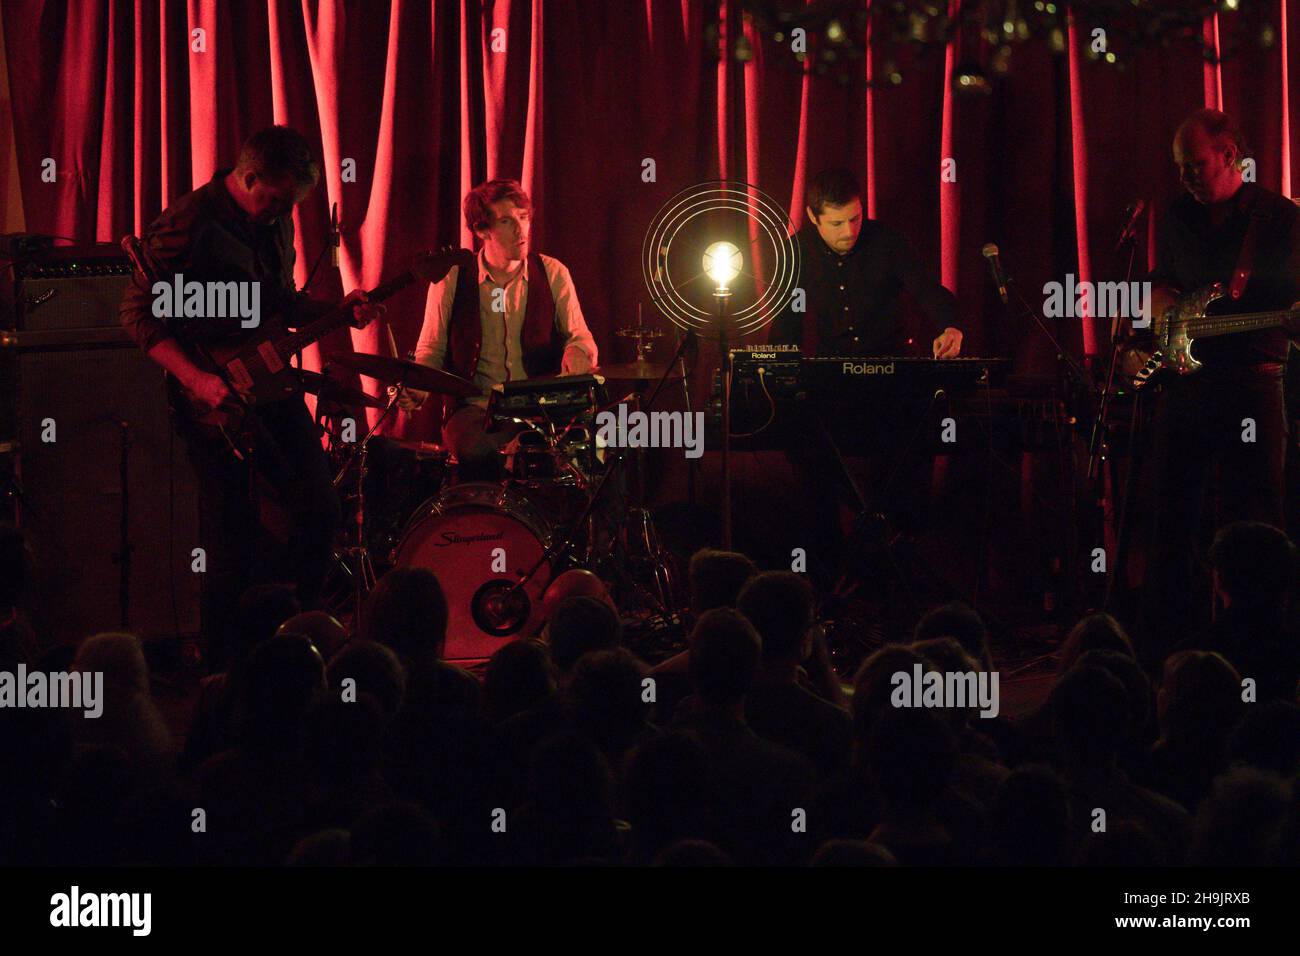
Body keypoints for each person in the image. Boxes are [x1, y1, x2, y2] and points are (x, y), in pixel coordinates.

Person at [118, 126, 384, 655]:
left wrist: (339, 313)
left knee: (319, 508)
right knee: (230, 532)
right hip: (209, 398)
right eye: (277, 200)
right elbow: (137, 314)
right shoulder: (188, 224)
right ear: (248, 176)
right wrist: (198, 380)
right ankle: (224, 667)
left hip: (268, 381)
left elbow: (278, 306)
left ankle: (298, 642)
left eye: (290, 205)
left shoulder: (276, 220)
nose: (282, 212)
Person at [1138, 109, 1300, 665]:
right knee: (1172, 516)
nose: (1185, 176)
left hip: (1252, 382)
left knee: (1255, 518)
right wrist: (1159, 307)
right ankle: (1175, 649)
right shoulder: (1178, 213)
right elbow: (1163, 278)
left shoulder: (1278, 218)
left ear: (1231, 155)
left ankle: (1262, 648)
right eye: (1180, 167)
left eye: (1196, 165)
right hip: (1186, 386)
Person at [768, 168, 965, 585]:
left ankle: (896, 556)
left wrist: (950, 326)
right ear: (813, 217)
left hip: (891, 375)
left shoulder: (887, 242)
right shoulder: (796, 252)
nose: (849, 231)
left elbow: (927, 290)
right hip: (831, 383)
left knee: (918, 438)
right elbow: (785, 327)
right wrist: (781, 372)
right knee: (804, 445)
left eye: (855, 219)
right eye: (837, 223)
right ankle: (834, 562)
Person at [398, 178, 598, 478]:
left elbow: (579, 336)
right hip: (475, 411)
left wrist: (578, 351)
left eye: (523, 218)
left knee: (604, 446)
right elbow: (431, 350)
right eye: (506, 221)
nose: (521, 230)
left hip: (540, 410)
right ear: (482, 231)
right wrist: (419, 390)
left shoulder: (553, 272)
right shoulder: (452, 277)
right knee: (477, 450)